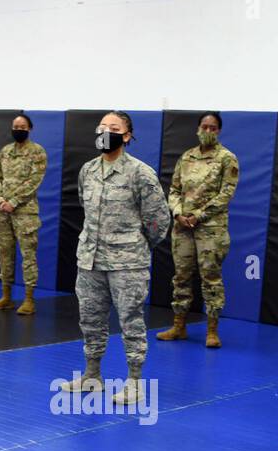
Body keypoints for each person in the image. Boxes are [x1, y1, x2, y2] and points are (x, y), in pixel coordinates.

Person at [61, 110, 170, 405]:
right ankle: (92, 375)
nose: (104, 131)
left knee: (131, 322)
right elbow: (86, 208)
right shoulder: (88, 170)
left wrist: (135, 246)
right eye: (101, 127)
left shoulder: (140, 173)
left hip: (127, 263)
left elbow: (158, 220)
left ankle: (134, 382)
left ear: (126, 136)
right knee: (90, 320)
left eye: (113, 127)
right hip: (90, 260)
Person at [158, 111, 239, 348]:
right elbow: (173, 189)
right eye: (204, 126)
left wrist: (199, 215)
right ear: (197, 129)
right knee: (181, 276)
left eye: (213, 127)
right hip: (182, 228)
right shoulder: (187, 157)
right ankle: (179, 326)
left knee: (210, 278)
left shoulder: (227, 158)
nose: (208, 131)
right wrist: (177, 212)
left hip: (210, 229)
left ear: (219, 131)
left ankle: (212, 331)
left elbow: (226, 194)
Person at [0, 111, 47, 315]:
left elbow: (34, 181)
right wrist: (0, 200)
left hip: (25, 213)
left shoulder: (37, 152)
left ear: (29, 129)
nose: (18, 130)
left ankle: (29, 299)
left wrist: (14, 201)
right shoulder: (5, 152)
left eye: (22, 128)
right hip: (2, 212)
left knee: (28, 256)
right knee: (4, 255)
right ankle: (6, 297)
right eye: (15, 127)